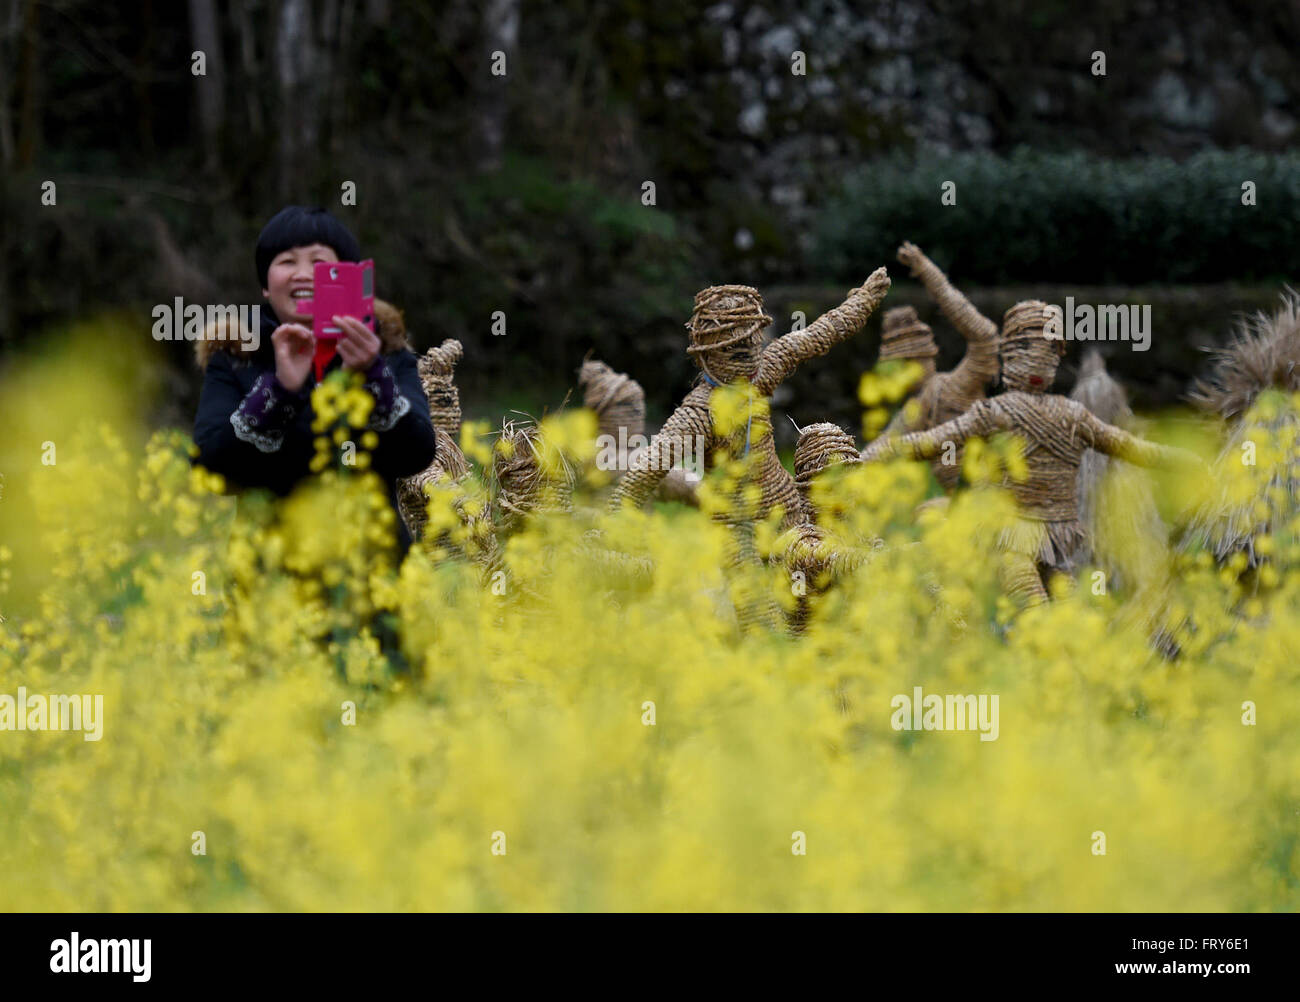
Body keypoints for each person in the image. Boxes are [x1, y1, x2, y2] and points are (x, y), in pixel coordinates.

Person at [192, 206, 436, 556]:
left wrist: (372, 375)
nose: (303, 275)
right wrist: (279, 392)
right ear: (265, 284)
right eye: (287, 262)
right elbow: (211, 470)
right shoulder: (234, 358)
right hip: (268, 578)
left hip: (373, 574)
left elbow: (416, 454)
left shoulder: (388, 353)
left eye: (320, 263)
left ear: (349, 279)